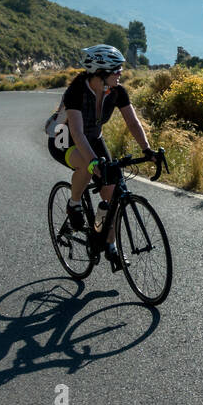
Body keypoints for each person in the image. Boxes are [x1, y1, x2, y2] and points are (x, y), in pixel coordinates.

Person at [47, 45, 154, 270]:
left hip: (93, 138)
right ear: (100, 72)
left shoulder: (117, 92)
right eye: (116, 70)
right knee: (88, 164)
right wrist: (95, 163)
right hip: (64, 138)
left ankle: (108, 244)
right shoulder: (76, 90)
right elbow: (76, 132)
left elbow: (133, 122)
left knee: (112, 192)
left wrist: (147, 150)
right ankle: (74, 203)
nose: (120, 73)